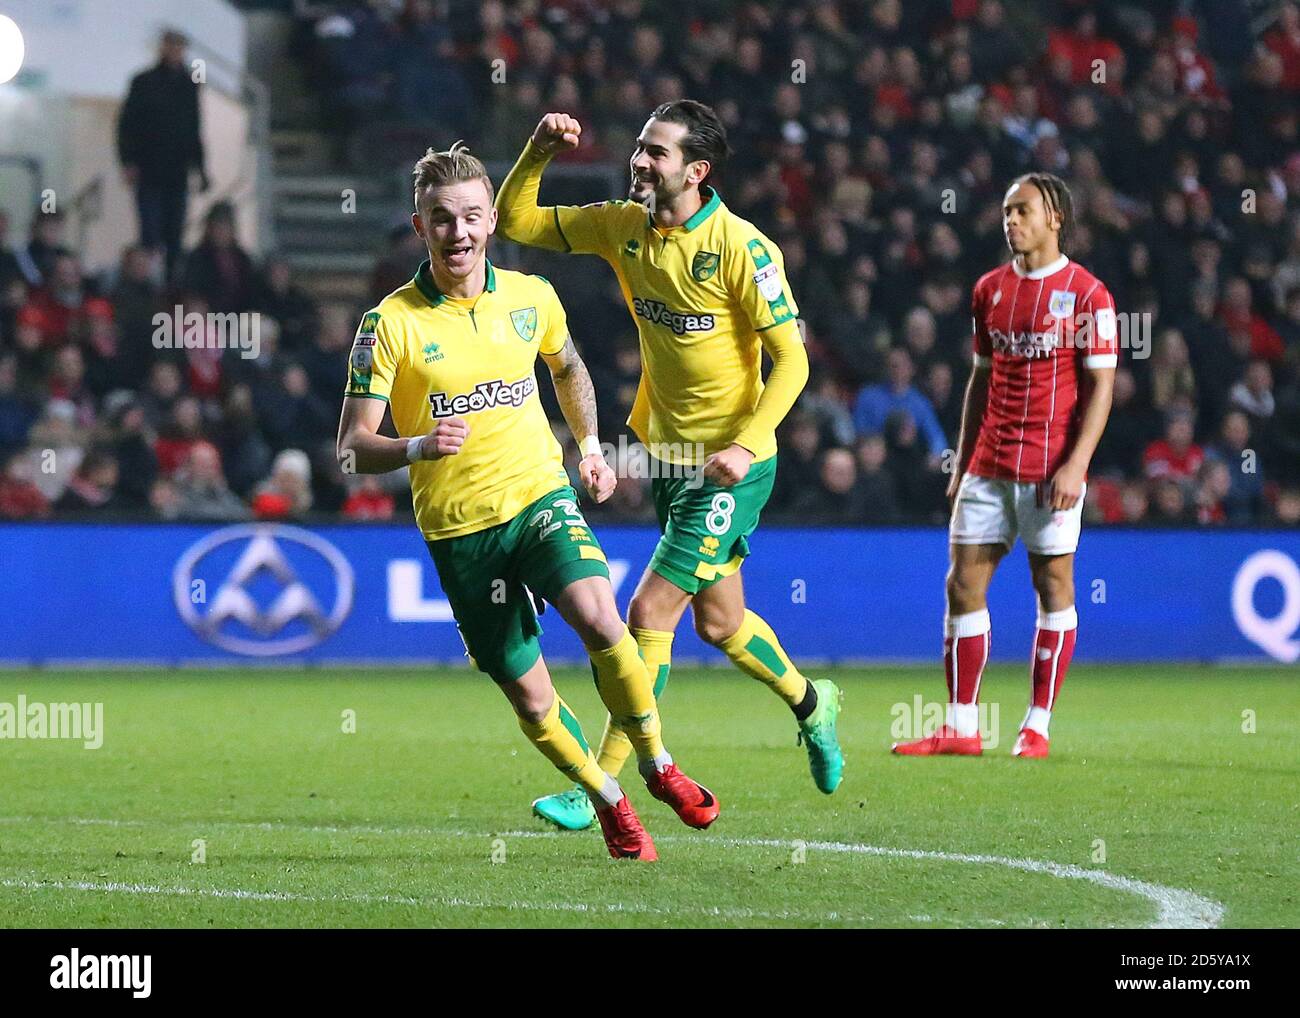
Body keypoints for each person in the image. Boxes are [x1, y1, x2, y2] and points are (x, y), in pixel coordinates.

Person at [336, 142, 718, 861]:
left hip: (539, 494)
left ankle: (658, 763)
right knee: (534, 700)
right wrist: (416, 445)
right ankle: (610, 803)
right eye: (442, 219)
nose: (459, 232)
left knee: (603, 616)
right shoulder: (388, 325)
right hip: (462, 532)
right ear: (420, 227)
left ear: (491, 224)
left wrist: (593, 448)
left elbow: (568, 368)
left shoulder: (531, 297)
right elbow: (352, 448)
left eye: (473, 217)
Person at [497, 101, 844, 832]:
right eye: (639, 148)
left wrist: (746, 444)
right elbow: (518, 222)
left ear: (697, 170)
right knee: (720, 625)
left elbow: (794, 361)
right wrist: (537, 152)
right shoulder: (623, 225)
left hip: (733, 466)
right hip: (671, 456)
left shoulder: (742, 249)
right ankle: (815, 705)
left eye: (656, 153)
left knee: (647, 612)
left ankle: (603, 784)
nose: (639, 162)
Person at [892, 172, 1117, 760]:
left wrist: (1078, 466)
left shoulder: (1091, 296)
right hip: (989, 464)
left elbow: (1102, 388)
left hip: (1050, 471)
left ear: (1055, 218)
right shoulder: (988, 289)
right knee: (962, 584)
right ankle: (962, 726)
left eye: (1022, 211)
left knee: (1054, 586)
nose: (1011, 221)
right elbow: (980, 380)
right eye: (1006, 212)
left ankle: (1036, 725)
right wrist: (961, 463)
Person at [117, 30, 208, 281]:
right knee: (150, 234)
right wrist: (128, 162)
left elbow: (193, 129)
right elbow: (127, 126)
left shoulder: (188, 85)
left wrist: (201, 168)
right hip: (150, 170)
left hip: (176, 172)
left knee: (174, 235)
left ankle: (170, 286)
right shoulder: (144, 82)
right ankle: (147, 283)